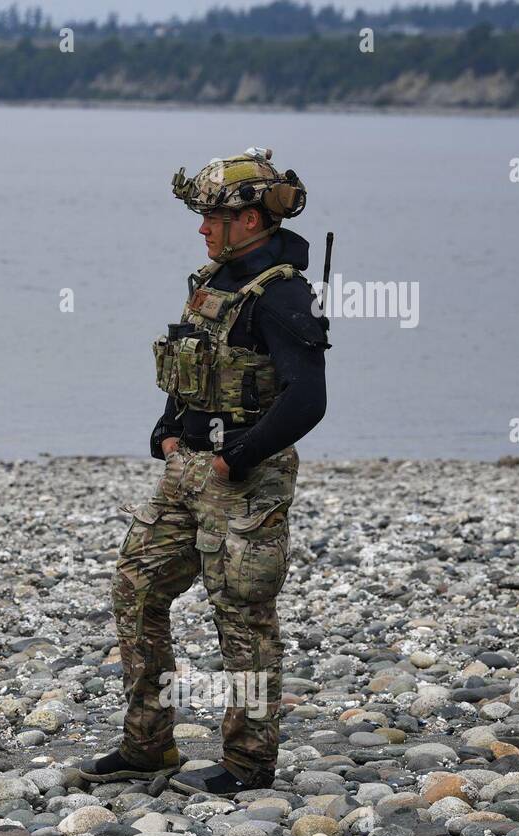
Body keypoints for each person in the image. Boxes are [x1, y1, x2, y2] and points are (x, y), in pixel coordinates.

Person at [80, 147, 331, 796]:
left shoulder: (283, 296)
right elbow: (192, 364)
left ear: (251, 220)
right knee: (137, 591)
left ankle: (248, 765)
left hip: (246, 483)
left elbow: (307, 398)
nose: (201, 227)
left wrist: (235, 457)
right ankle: (148, 745)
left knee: (242, 618)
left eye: (213, 216)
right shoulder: (210, 281)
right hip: (186, 471)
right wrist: (168, 430)